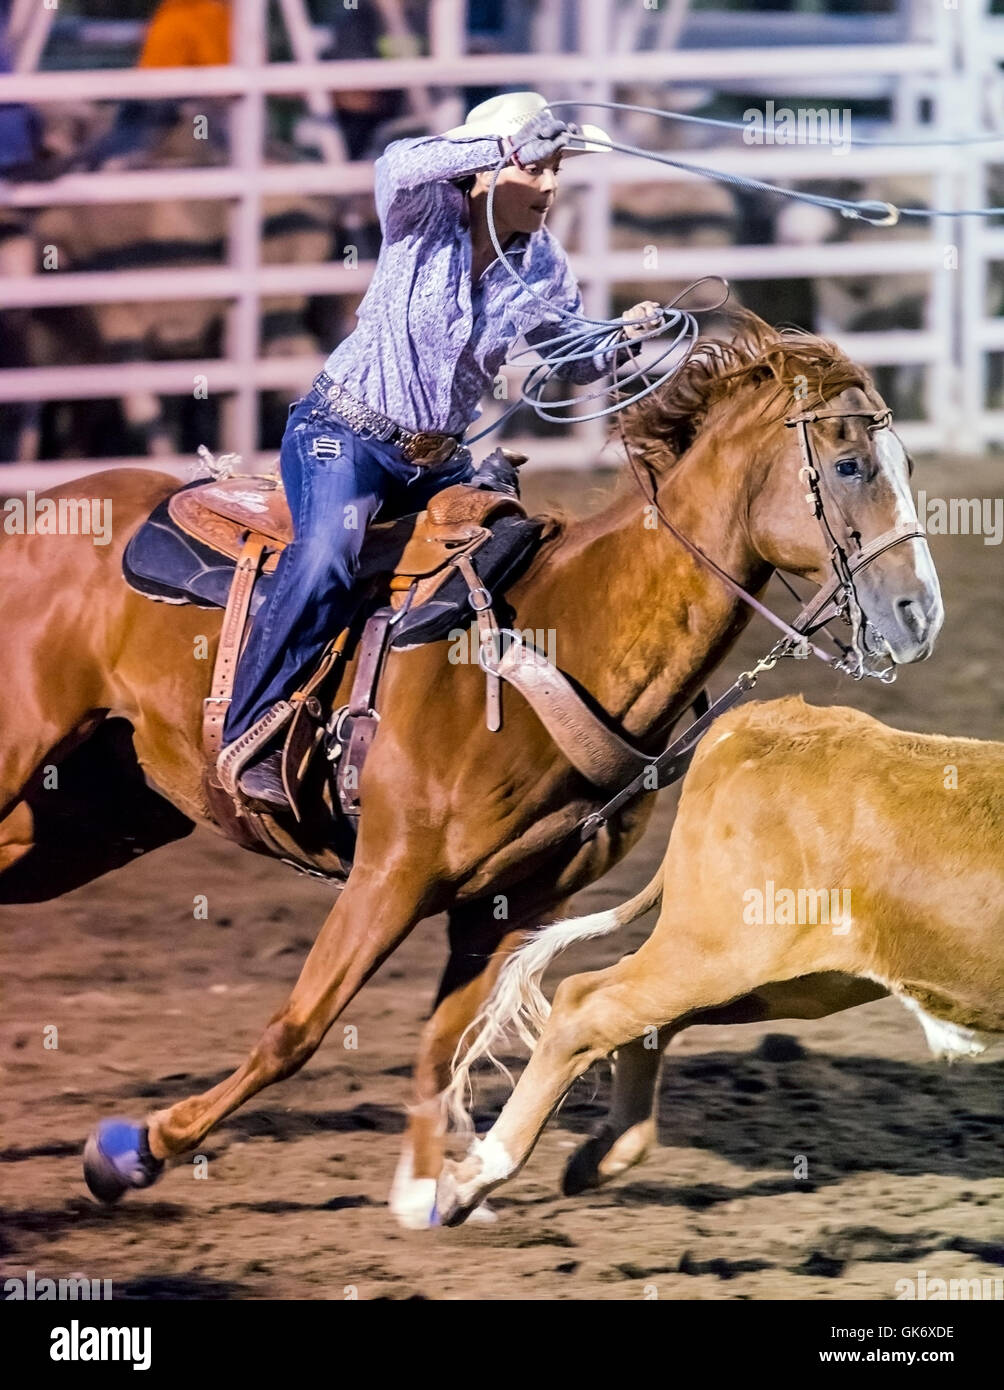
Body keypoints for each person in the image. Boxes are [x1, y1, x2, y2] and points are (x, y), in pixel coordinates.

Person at [220, 91, 661, 809]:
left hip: (437, 459)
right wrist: (505, 147)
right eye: (539, 168)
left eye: (557, 169)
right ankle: (252, 732)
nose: (550, 186)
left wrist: (627, 337)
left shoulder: (543, 265)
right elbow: (399, 163)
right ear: (488, 172)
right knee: (329, 551)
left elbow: (572, 357)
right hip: (345, 433)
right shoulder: (422, 213)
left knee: (511, 560)